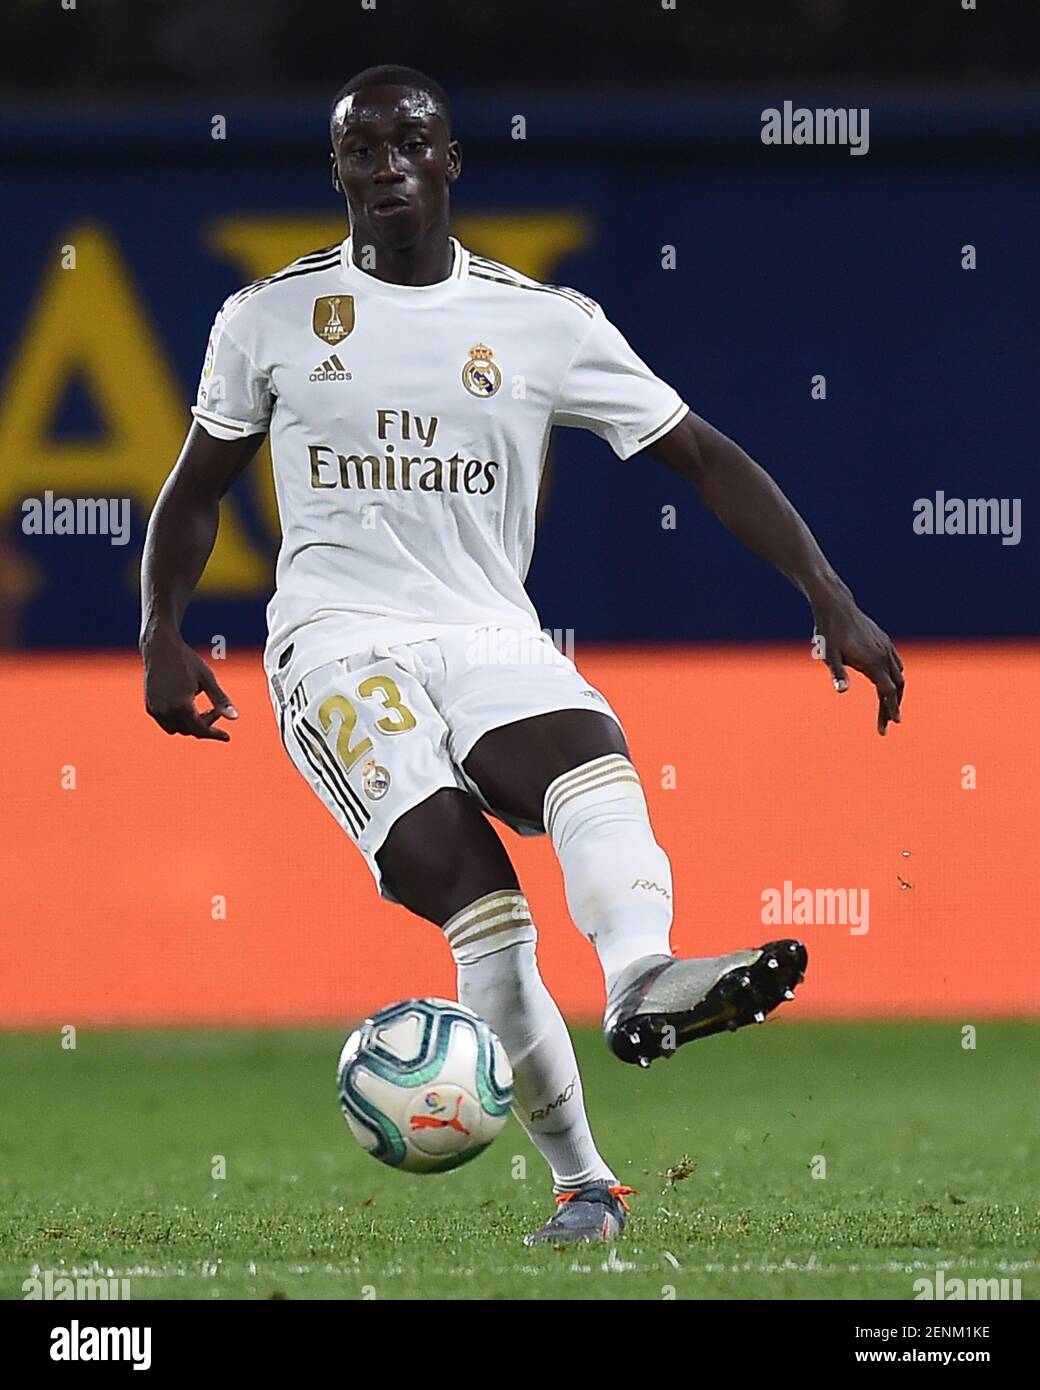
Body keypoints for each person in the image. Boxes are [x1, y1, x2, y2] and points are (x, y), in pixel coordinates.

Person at [140, 64, 903, 1245]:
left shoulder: (544, 324)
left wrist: (827, 590)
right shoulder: (267, 319)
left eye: (410, 144)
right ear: (336, 171)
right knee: (478, 899)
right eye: (361, 149)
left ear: (452, 163)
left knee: (589, 761)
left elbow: (700, 454)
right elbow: (197, 493)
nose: (386, 165)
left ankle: (643, 977)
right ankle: (585, 1181)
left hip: (487, 627)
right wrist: (161, 630)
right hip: (336, 643)